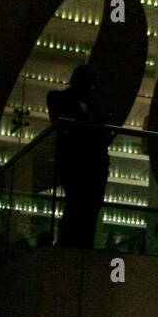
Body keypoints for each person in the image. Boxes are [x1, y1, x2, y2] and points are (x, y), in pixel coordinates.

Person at [46, 63, 110, 249]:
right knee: (77, 205)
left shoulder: (94, 106)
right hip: (75, 163)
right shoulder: (58, 98)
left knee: (89, 208)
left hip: (94, 165)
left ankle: (80, 245)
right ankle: (70, 244)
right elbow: (65, 124)